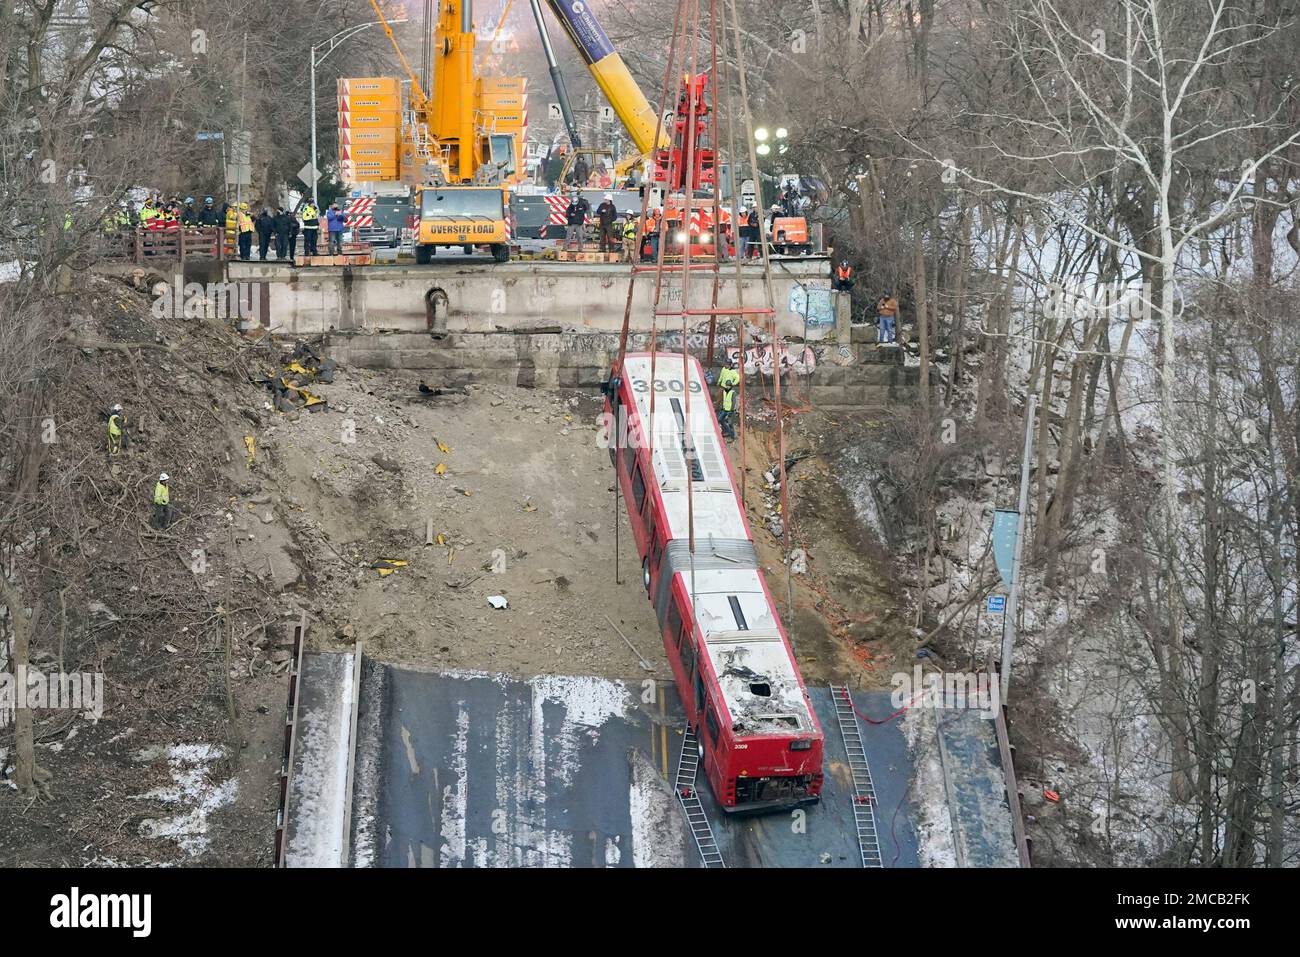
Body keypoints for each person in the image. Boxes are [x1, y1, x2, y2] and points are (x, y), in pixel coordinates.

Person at [717, 357, 741, 440]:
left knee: (728, 421)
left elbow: (738, 378)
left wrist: (733, 384)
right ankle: (727, 432)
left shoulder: (733, 372)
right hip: (723, 387)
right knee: (722, 418)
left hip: (729, 409)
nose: (725, 365)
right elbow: (721, 376)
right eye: (725, 364)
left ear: (730, 365)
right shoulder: (724, 369)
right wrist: (719, 382)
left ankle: (731, 435)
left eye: (727, 364)